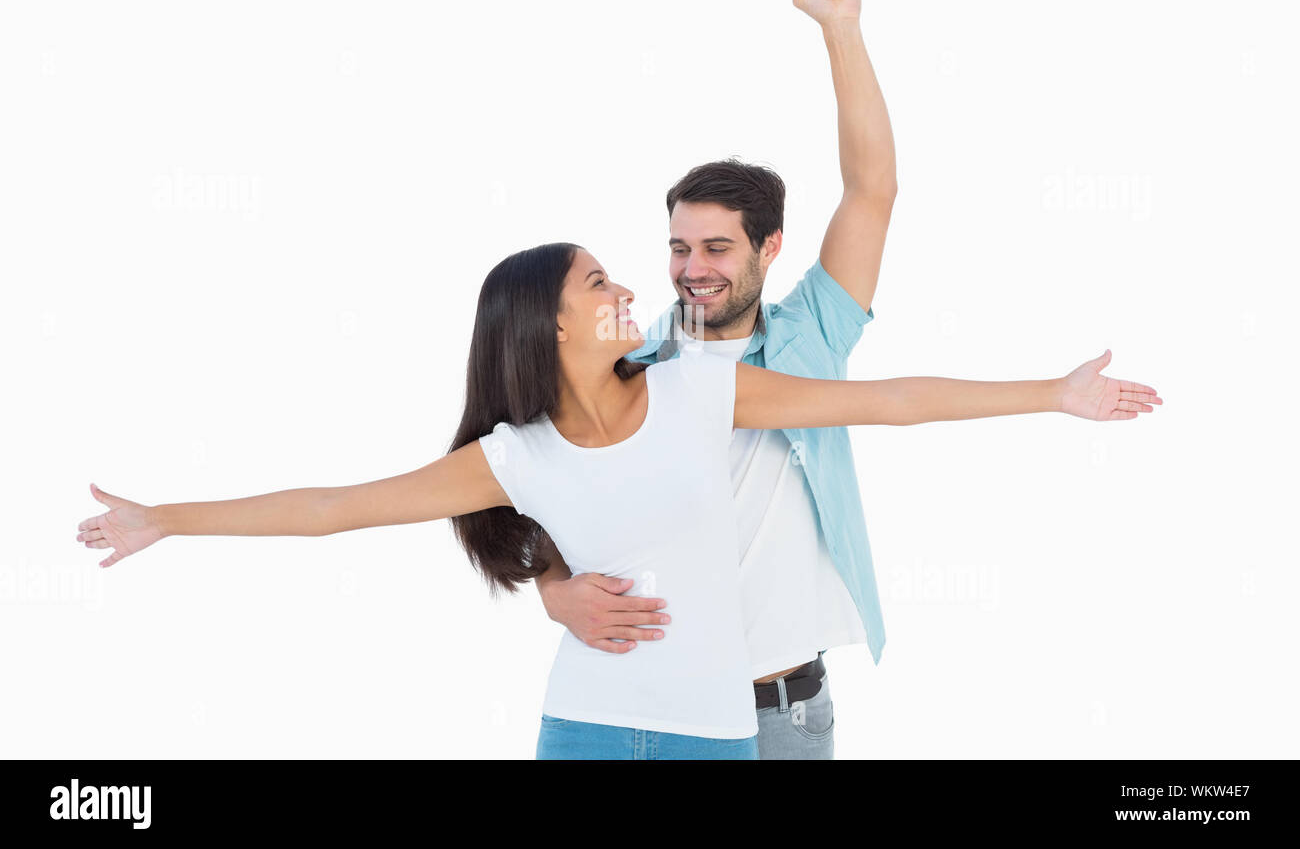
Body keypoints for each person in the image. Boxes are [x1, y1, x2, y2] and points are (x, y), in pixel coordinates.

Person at [75, 243, 1161, 760]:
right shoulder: (516, 455)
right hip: (582, 725)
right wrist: (167, 516)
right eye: (599, 285)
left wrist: (1049, 394)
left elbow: (884, 399)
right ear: (546, 325)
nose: (629, 292)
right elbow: (335, 506)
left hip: (714, 731)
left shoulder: (697, 384)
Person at [534, 0, 900, 758]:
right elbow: (532, 483)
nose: (692, 268)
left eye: (716, 248)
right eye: (678, 247)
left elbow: (871, 190)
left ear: (770, 247)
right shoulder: (629, 360)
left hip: (782, 713)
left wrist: (841, 31)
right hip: (653, 706)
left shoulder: (812, 338)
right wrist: (555, 592)